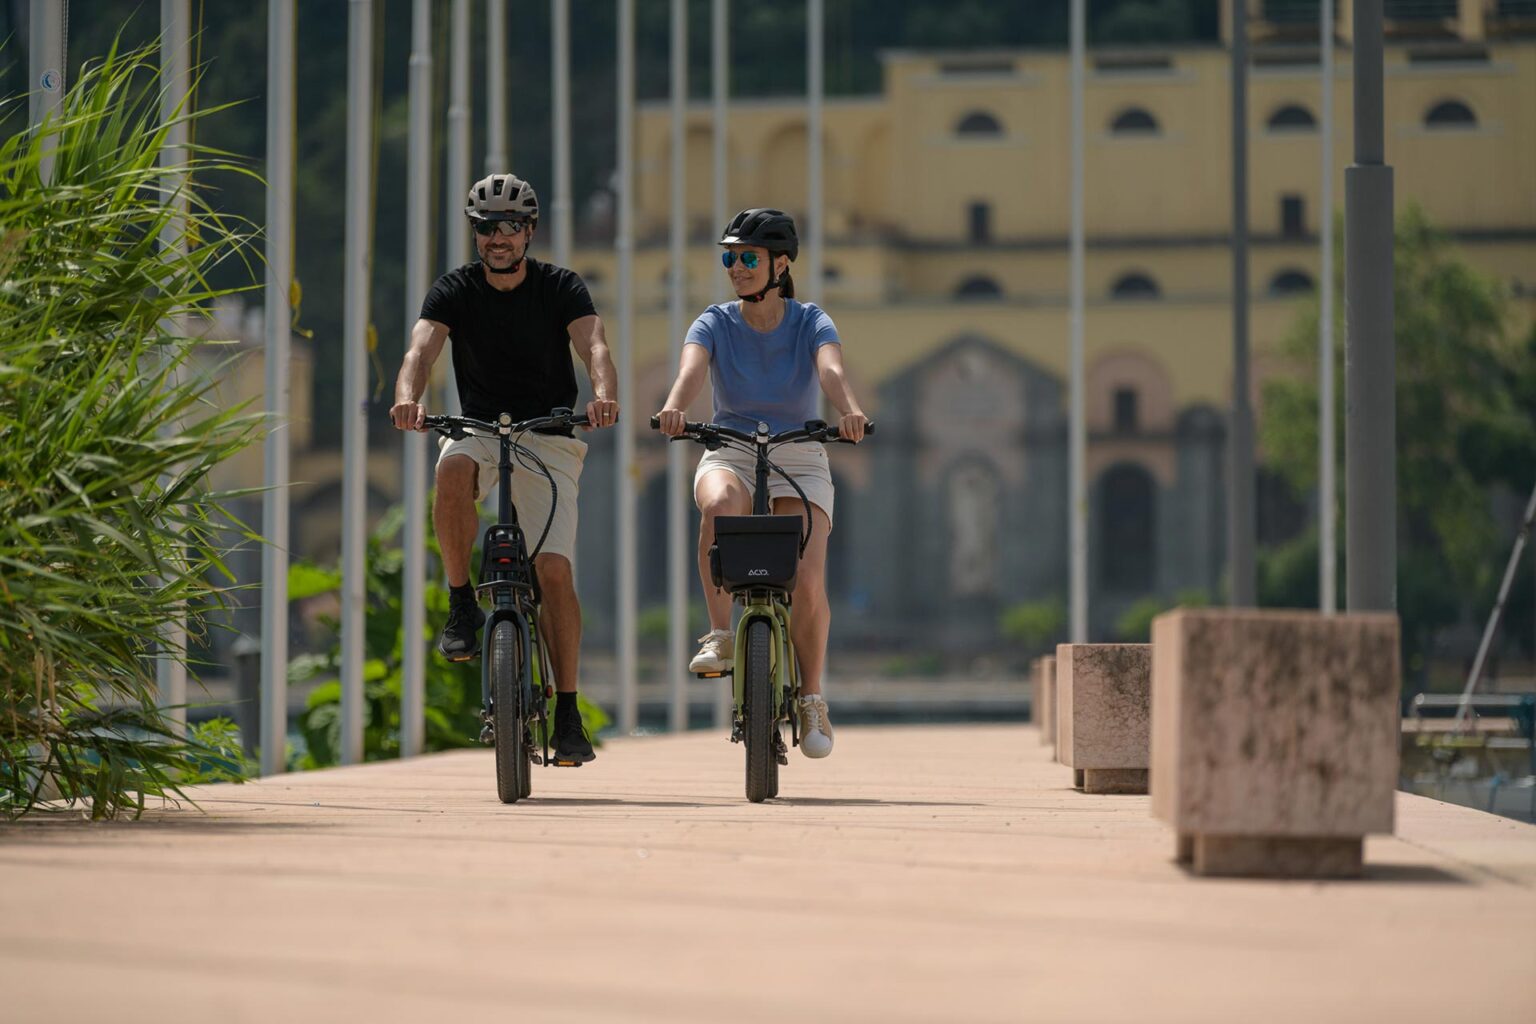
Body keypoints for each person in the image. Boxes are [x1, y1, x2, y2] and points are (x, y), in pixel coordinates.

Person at [390, 172, 618, 765]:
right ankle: (461, 602)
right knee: (450, 472)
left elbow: (594, 346)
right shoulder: (454, 289)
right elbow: (420, 350)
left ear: (529, 231)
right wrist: (408, 397)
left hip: (549, 433)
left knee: (554, 572)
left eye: (510, 226)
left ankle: (567, 711)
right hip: (480, 429)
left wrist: (603, 395)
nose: (498, 237)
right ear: (475, 233)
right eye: (486, 227)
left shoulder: (560, 286)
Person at [655, 208, 868, 759]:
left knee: (807, 577)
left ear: (781, 264)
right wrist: (675, 407)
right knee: (718, 507)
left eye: (748, 257)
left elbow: (830, 370)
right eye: (729, 257)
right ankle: (721, 633)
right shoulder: (714, 321)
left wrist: (848, 410)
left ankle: (811, 696)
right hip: (730, 445)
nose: (736, 267)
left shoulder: (811, 320)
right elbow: (691, 370)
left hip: (799, 450)